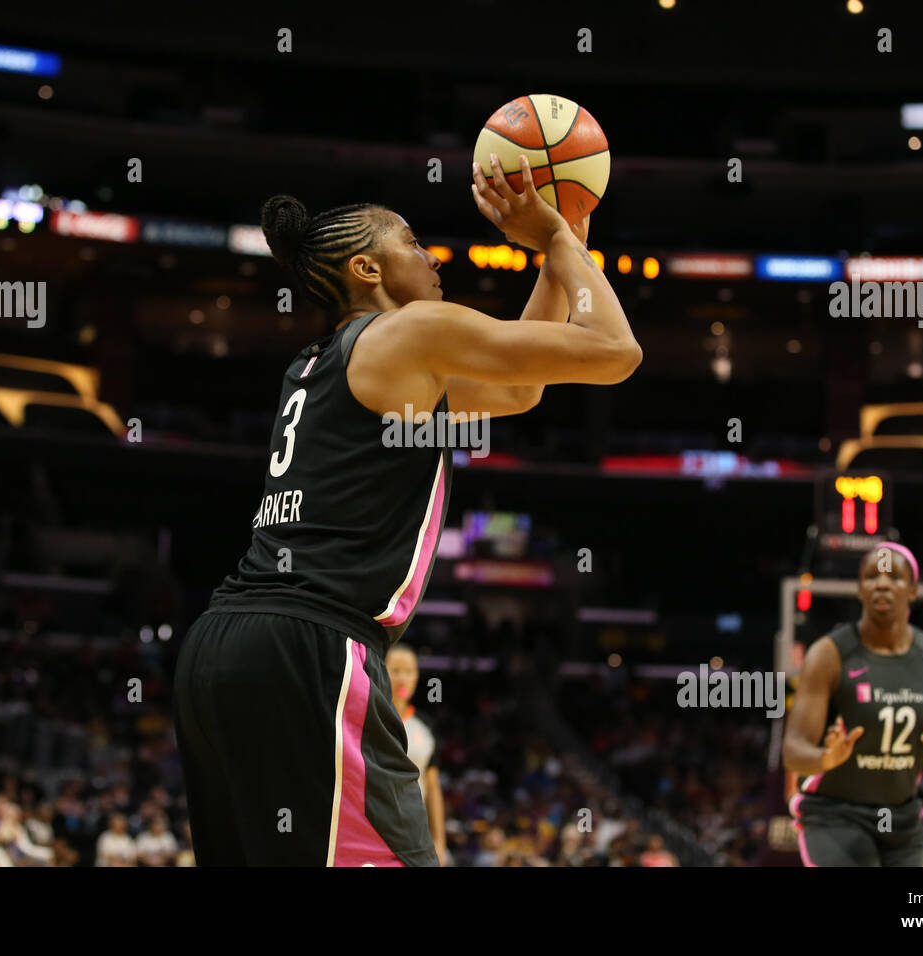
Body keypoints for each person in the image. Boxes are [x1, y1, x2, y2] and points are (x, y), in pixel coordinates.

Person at [173, 152, 640, 867]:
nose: (431, 258)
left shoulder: (321, 361)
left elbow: (522, 389)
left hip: (221, 645)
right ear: (367, 269)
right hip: (313, 649)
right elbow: (613, 350)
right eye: (412, 243)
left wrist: (562, 241)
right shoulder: (408, 333)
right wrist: (555, 241)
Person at [783, 542, 923, 866]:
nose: (883, 583)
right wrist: (825, 758)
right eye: (872, 576)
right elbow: (793, 751)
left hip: (901, 819)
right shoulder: (829, 655)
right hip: (834, 814)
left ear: (913, 590)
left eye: (895, 577)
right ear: (860, 589)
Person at [384, 642, 447, 865]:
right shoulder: (368, 719)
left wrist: (439, 841)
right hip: (374, 824)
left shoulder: (426, 727)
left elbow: (433, 787)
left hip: (413, 829)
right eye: (396, 670)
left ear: (417, 677)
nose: (403, 678)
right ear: (381, 670)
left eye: (409, 671)